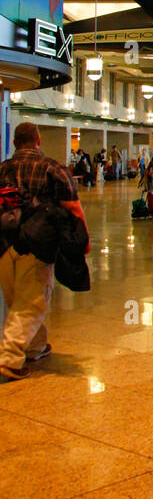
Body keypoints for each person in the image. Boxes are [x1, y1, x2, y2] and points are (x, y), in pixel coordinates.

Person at [0, 122, 90, 382]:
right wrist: (82, 240)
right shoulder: (53, 168)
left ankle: (35, 346)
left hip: (4, 243)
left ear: (15, 142)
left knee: (17, 297)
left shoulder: (3, 168)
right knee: (33, 302)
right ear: (38, 140)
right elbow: (73, 208)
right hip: (36, 244)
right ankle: (9, 359)